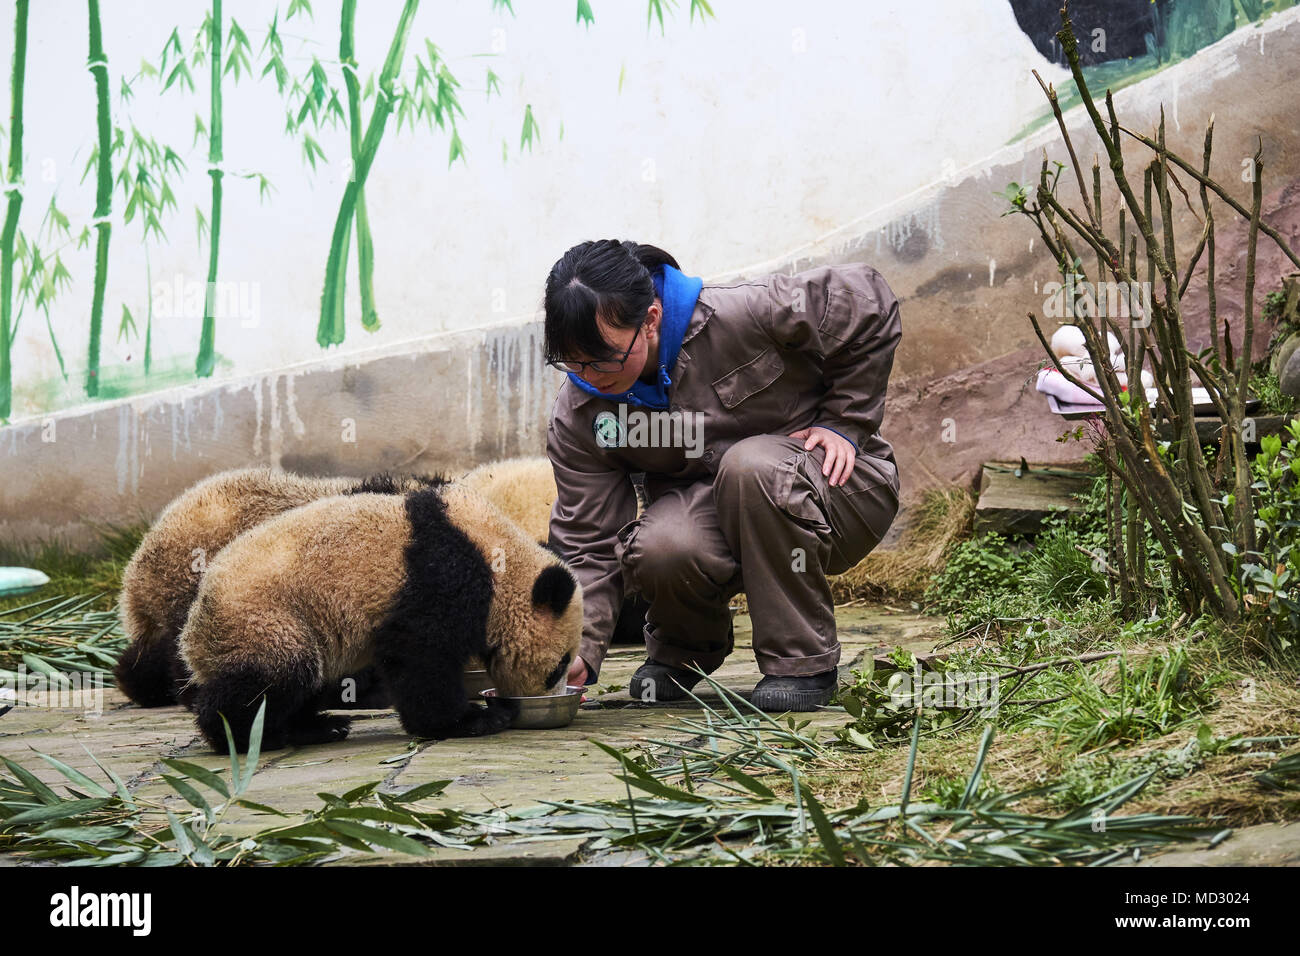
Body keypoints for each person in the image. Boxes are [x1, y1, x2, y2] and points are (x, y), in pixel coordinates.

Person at [542, 240, 901, 711]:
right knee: (660, 543)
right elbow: (587, 540)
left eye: (604, 357)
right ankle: (686, 651)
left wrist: (846, 421)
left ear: (650, 320)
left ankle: (802, 663)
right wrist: (580, 651)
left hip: (841, 488)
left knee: (750, 466)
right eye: (573, 361)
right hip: (724, 511)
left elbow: (868, 299)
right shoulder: (582, 414)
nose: (590, 375)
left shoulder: (746, 309)